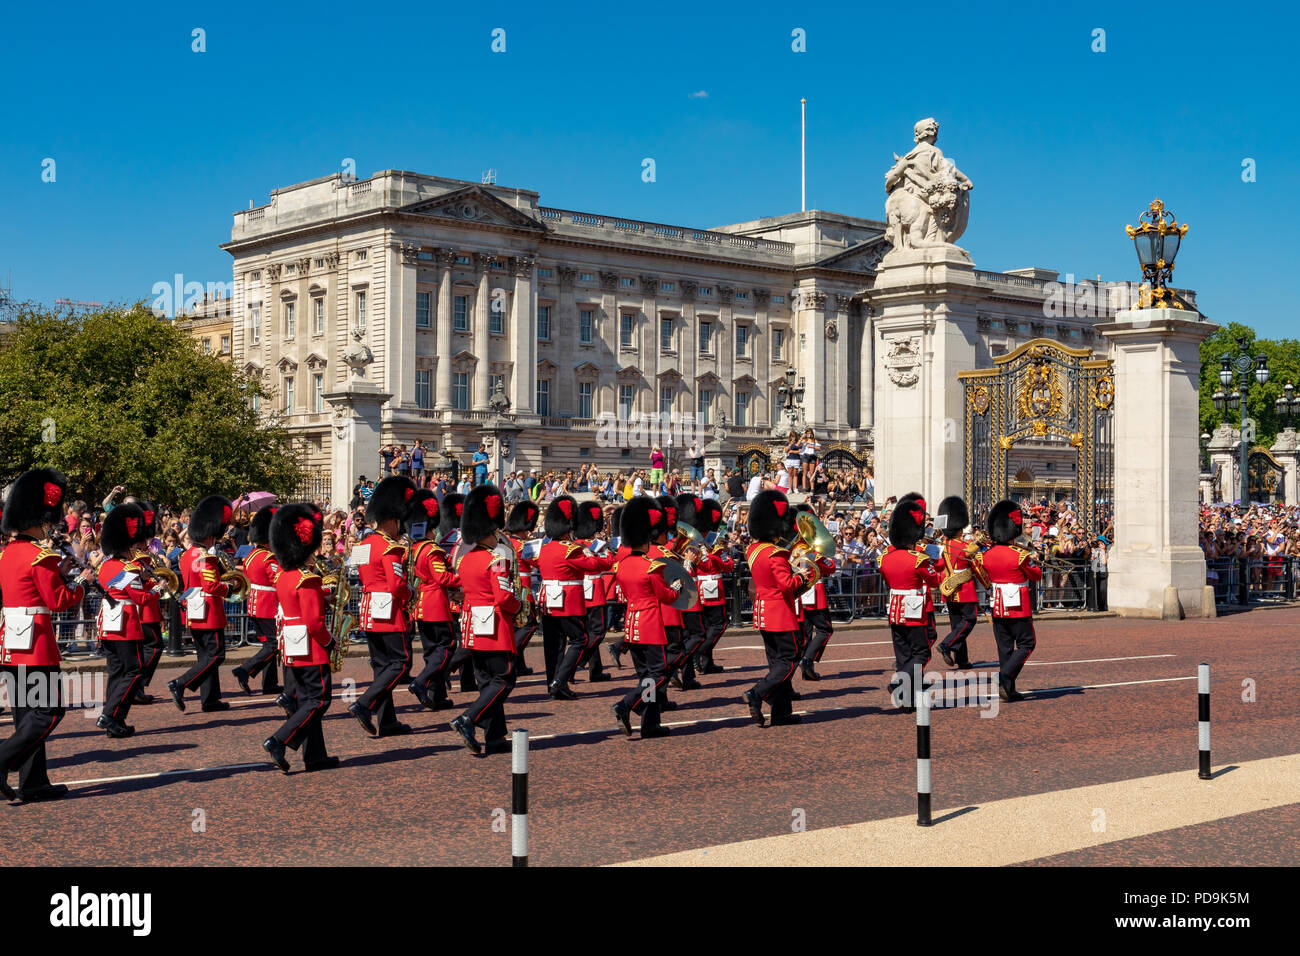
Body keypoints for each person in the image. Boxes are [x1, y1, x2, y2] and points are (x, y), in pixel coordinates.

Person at [0, 468, 95, 801]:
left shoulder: (6, 554)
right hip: (36, 644)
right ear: (35, 518)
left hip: (11, 643)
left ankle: (34, 782)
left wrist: (60, 572)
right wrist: (80, 581)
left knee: (26, 715)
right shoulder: (41, 556)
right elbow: (59, 601)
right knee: (49, 711)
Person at [262, 503, 339, 773]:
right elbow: (315, 623)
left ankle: (315, 756)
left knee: (307, 702)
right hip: (312, 647)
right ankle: (279, 740)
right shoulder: (308, 580)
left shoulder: (285, 577)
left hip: (292, 646)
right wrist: (331, 642)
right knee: (318, 701)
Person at [741, 490, 829, 726]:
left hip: (763, 612)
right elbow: (787, 584)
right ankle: (757, 693)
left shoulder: (754, 550)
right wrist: (802, 575)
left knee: (776, 662)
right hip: (780, 613)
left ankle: (781, 713)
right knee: (790, 660)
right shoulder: (776, 553)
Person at [448, 485, 521, 755]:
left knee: (487, 682)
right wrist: (520, 606)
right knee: (503, 680)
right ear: (489, 533)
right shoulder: (497, 560)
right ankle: (468, 718)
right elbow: (503, 598)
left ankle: (495, 737)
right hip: (496, 627)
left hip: (473, 627)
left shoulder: (466, 560)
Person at [347, 475, 416, 737]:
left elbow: (361, 575)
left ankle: (387, 721)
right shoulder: (391, 548)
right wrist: (410, 593)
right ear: (393, 519)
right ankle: (365, 704)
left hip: (368, 609)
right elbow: (397, 585)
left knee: (381, 665)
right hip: (387, 610)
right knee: (399, 663)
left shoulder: (364, 545)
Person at [611, 496, 684, 739]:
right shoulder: (651, 566)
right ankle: (627, 704)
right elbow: (667, 597)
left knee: (648, 676)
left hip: (631, 625)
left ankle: (650, 724)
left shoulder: (621, 565)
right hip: (651, 624)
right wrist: (677, 587)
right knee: (659, 674)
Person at [537, 496, 614, 699]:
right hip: (567, 602)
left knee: (554, 646)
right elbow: (595, 566)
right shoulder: (571, 550)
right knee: (580, 639)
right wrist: (593, 553)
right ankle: (559, 681)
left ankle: (553, 686)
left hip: (548, 602)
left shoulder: (544, 549)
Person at [167, 495, 234, 714]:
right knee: (216, 655)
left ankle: (210, 699)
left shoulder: (187, 555)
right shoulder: (205, 557)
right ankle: (181, 683)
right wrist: (230, 588)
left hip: (194, 611)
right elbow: (212, 586)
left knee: (205, 656)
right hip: (209, 612)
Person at [879, 492, 942, 713]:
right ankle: (899, 683)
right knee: (922, 653)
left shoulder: (885, 557)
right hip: (914, 609)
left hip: (895, 608)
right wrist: (934, 562)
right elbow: (935, 580)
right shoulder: (918, 559)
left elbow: (887, 580)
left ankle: (907, 700)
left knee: (904, 652)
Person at [94, 503, 151, 738]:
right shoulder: (130, 568)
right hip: (126, 623)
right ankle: (110, 714)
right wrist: (154, 586)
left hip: (108, 624)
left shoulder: (105, 566)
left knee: (117, 672)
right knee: (135, 670)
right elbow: (141, 599)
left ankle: (115, 722)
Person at [983, 500, 1042, 702]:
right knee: (1027, 644)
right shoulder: (1019, 555)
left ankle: (1008, 689)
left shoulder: (987, 555)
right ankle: (1004, 675)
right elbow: (1036, 575)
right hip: (1018, 607)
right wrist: (1032, 558)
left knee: (1005, 648)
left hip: (998, 606)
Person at [407, 491, 459, 711]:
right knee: (447, 647)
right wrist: (462, 576)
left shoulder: (416, 548)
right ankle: (421, 682)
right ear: (431, 528)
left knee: (431, 651)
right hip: (436, 604)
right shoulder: (431, 550)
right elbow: (441, 578)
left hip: (421, 605)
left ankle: (436, 695)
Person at [933, 496, 988, 670]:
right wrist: (987, 584)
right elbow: (978, 566)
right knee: (969, 620)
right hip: (964, 590)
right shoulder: (965, 546)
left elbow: (939, 566)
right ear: (959, 528)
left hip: (949, 591)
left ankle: (962, 660)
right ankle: (947, 644)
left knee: (957, 625)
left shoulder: (944, 547)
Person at [232, 505, 282, 696]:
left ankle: (269, 684)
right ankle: (245, 670)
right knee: (274, 645)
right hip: (267, 606)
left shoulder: (251, 555)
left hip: (254, 604)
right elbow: (278, 581)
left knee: (268, 645)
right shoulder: (269, 558)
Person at [792, 502, 836, 682]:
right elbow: (830, 567)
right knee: (825, 630)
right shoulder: (811, 550)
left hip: (798, 594)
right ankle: (807, 660)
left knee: (806, 633)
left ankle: (806, 669)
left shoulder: (793, 547)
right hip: (813, 594)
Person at [129, 500, 166, 704]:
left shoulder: (145, 559)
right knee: (153, 648)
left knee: (151, 648)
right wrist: (155, 584)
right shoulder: (137, 561)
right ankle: (137, 685)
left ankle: (138, 686)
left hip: (149, 608)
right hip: (143, 611)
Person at [573, 500, 613, 682]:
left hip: (581, 590)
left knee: (589, 632)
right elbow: (607, 563)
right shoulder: (587, 545)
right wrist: (594, 557)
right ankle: (576, 661)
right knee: (598, 631)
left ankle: (595, 670)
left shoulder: (580, 544)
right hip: (592, 591)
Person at [692, 498, 731, 674]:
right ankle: (698, 653)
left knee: (709, 627)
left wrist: (717, 551)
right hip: (710, 589)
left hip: (709, 588)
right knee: (719, 625)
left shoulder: (713, 542)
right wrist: (714, 553)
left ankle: (707, 663)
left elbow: (728, 565)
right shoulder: (698, 545)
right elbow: (707, 566)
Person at [502, 501, 541, 675]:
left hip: (509, 587)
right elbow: (537, 562)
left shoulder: (505, 544)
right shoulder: (524, 546)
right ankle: (510, 655)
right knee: (529, 625)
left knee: (517, 626)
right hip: (523, 588)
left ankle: (519, 665)